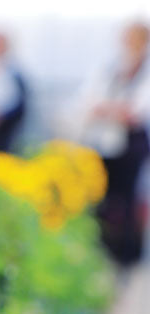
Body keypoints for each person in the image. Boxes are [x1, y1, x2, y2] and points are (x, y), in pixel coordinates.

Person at [75, 22, 150, 267]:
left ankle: (125, 256)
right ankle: (100, 250)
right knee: (100, 197)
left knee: (127, 199)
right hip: (103, 142)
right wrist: (114, 110)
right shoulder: (110, 67)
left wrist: (109, 109)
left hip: (131, 144)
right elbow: (89, 101)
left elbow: (136, 112)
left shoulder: (144, 71)